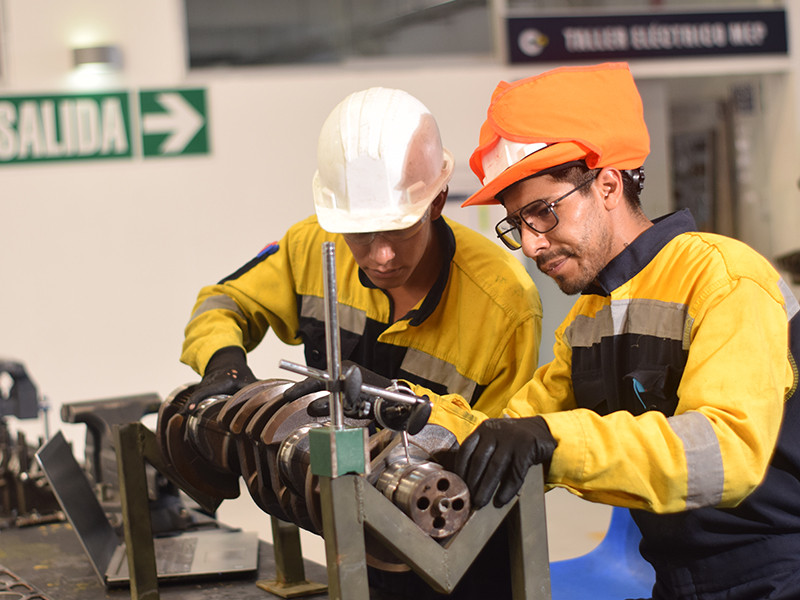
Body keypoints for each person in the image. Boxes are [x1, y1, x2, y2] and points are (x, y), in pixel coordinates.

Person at [410, 62, 800, 600]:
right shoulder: (591, 319)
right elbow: (514, 429)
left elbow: (725, 452)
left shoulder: (724, 280)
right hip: (676, 580)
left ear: (609, 184)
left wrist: (552, 441)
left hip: (777, 574)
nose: (530, 245)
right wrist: (414, 421)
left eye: (542, 213)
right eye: (516, 224)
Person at [180, 86, 543, 598]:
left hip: (457, 545)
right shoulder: (312, 245)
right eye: (360, 234)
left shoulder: (504, 301)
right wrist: (223, 364)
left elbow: (500, 454)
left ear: (437, 201)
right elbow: (223, 303)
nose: (382, 256)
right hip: (347, 536)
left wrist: (402, 410)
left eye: (397, 230)